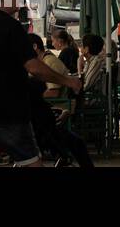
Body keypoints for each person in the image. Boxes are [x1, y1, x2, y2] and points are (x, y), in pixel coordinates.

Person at [0, 0, 84, 167]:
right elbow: (34, 66)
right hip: (7, 107)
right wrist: (68, 81)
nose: (21, 0)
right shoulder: (10, 25)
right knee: (31, 161)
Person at [27, 34, 94, 168]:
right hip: (44, 114)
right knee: (73, 142)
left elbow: (54, 92)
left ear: (34, 47)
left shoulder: (48, 62)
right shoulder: (40, 64)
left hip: (53, 107)